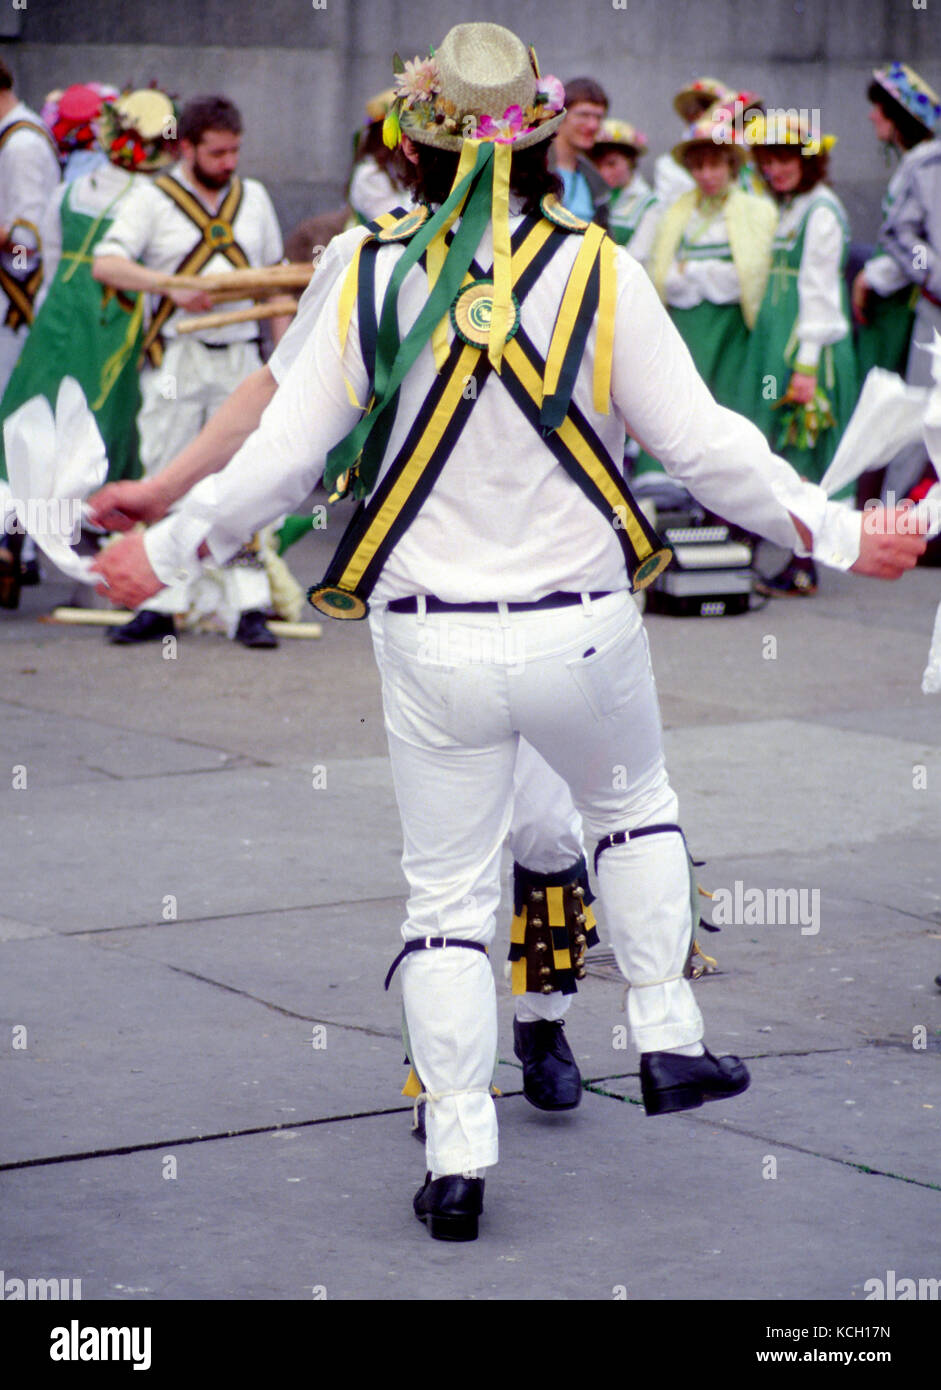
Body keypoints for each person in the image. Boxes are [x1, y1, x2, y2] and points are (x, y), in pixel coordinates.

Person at [89, 22, 925, 1243]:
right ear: (541, 142)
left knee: (442, 903)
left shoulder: (370, 271)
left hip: (430, 647)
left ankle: (459, 1161)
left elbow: (281, 459)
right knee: (631, 808)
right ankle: (666, 1036)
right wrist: (843, 535)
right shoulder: (600, 266)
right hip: (582, 632)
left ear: (415, 147)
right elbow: (703, 448)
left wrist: (159, 549)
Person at [92, 93, 288, 648]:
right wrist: (169, 285)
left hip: (242, 362)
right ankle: (162, 601)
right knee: (167, 471)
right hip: (177, 358)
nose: (229, 163)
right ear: (187, 147)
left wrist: (282, 362)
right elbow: (106, 263)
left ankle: (249, 605)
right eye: (218, 152)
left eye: (235, 151)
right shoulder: (150, 199)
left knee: (248, 477)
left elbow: (276, 281)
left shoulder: (255, 198)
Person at [0, 88, 177, 563]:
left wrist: (41, 314)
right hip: (111, 318)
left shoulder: (70, 190)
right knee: (97, 414)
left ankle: (18, 529)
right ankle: (85, 527)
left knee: (35, 406)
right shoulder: (151, 198)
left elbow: (50, 263)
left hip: (61, 314)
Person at [743, 112, 858, 597]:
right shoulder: (794, 206)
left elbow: (820, 292)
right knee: (779, 446)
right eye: (768, 160)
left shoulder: (823, 211)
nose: (776, 169)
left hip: (805, 344)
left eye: (786, 158)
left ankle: (804, 563)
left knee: (803, 446)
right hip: (776, 336)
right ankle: (784, 552)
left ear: (809, 161)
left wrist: (807, 365)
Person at [635, 109, 776, 483]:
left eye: (715, 165)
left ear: (731, 165)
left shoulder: (757, 210)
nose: (707, 176)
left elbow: (754, 272)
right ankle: (670, 481)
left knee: (726, 399)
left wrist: (700, 274)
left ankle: (732, 481)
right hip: (685, 323)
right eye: (698, 168)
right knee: (680, 396)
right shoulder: (678, 210)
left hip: (732, 326)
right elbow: (660, 267)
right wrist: (687, 276)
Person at [0, 57, 63, 604]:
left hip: (12, 309)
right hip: (12, 305)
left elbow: (24, 239)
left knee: (13, 423)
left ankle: (14, 549)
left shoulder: (20, 143)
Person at [853, 64, 941, 383]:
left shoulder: (928, 165)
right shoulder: (915, 164)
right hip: (900, 301)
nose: (871, 116)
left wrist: (872, 277)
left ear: (897, 116)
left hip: (911, 303)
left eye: (879, 109)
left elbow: (916, 240)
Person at [590, 118, 659, 263]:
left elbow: (639, 256)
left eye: (612, 164)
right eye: (598, 164)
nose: (603, 172)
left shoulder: (649, 204)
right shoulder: (593, 195)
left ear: (630, 161)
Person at [548, 76, 610, 225]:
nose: (593, 125)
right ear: (560, 116)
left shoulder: (595, 180)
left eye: (599, 117)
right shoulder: (535, 168)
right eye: (583, 115)